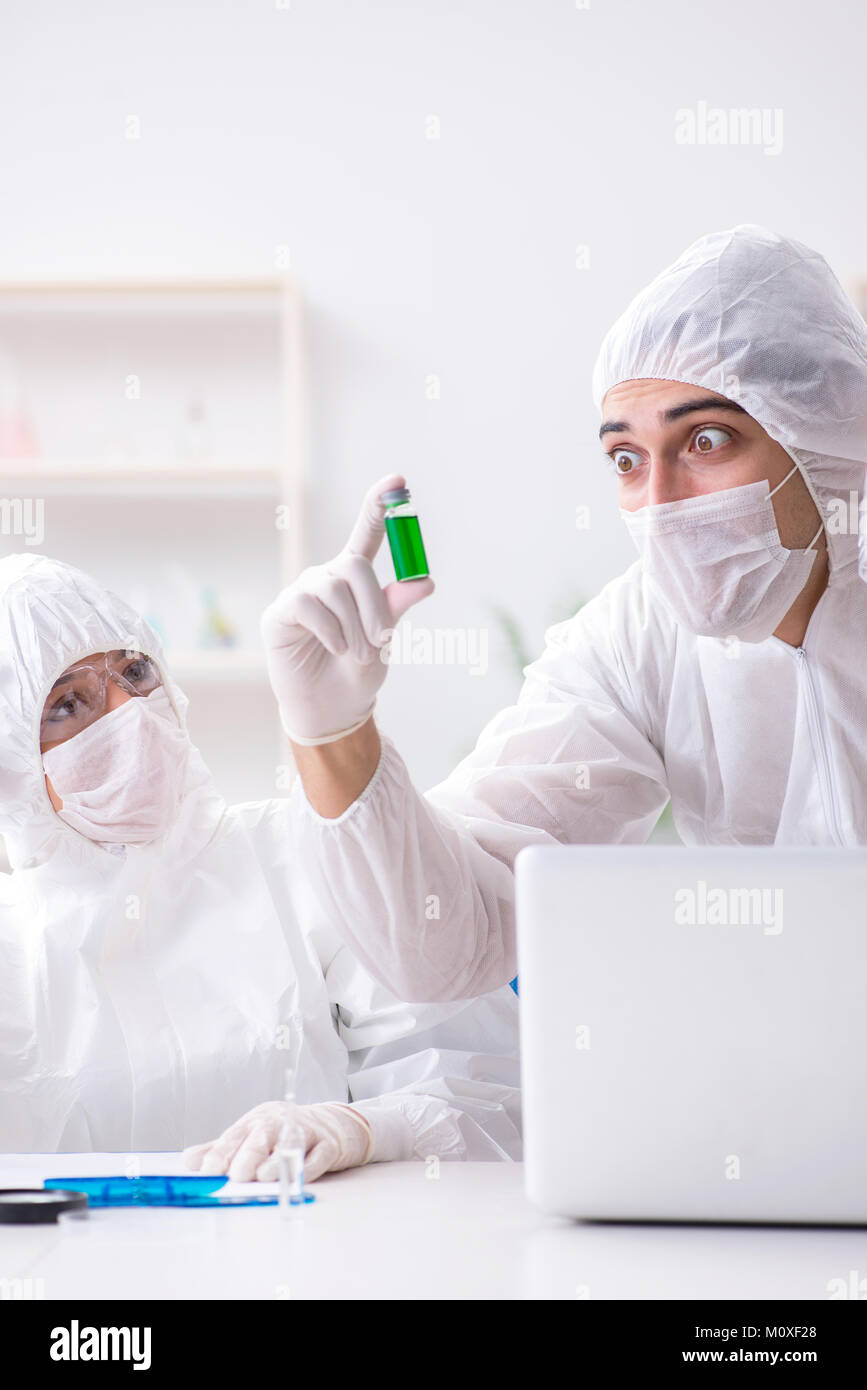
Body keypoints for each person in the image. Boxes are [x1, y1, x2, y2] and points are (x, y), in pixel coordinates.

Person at [264, 224, 867, 1002]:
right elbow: (454, 940)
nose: (658, 504)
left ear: (824, 437)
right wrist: (332, 734)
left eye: (706, 440)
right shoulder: (637, 639)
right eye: (626, 459)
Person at [0, 554, 521, 1179]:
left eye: (135, 672)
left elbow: (485, 1095)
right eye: (67, 705)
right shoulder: (14, 950)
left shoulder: (304, 853)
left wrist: (364, 1129)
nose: (130, 714)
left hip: (324, 1261)